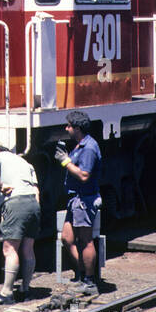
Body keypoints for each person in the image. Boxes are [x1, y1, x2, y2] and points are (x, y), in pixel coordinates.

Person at [0, 144, 40, 305]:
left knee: (10, 249)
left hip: (16, 202)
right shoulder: (26, 163)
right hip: (33, 205)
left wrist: (0, 185)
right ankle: (25, 289)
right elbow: (37, 191)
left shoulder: (0, 155)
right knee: (28, 248)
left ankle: (6, 293)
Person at [55, 110, 102, 295]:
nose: (66, 129)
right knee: (67, 238)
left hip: (84, 199)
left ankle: (90, 282)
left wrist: (65, 162)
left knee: (85, 239)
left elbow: (84, 175)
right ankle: (83, 274)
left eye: (69, 126)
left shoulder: (89, 148)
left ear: (78, 128)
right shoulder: (80, 145)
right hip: (75, 199)